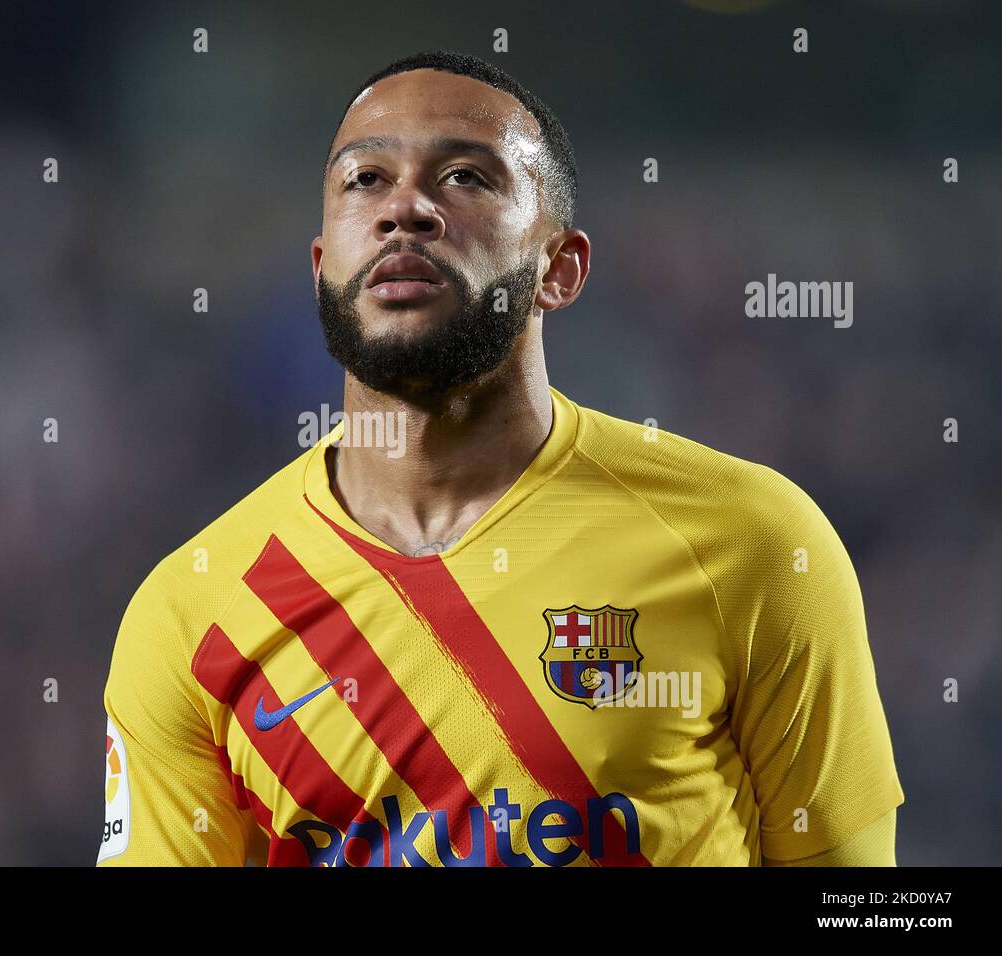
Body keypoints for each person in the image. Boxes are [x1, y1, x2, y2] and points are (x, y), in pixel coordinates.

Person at [97, 50, 903, 867]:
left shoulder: (751, 541)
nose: (405, 207)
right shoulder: (192, 610)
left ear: (560, 268)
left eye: (465, 178)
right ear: (320, 270)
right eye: (365, 181)